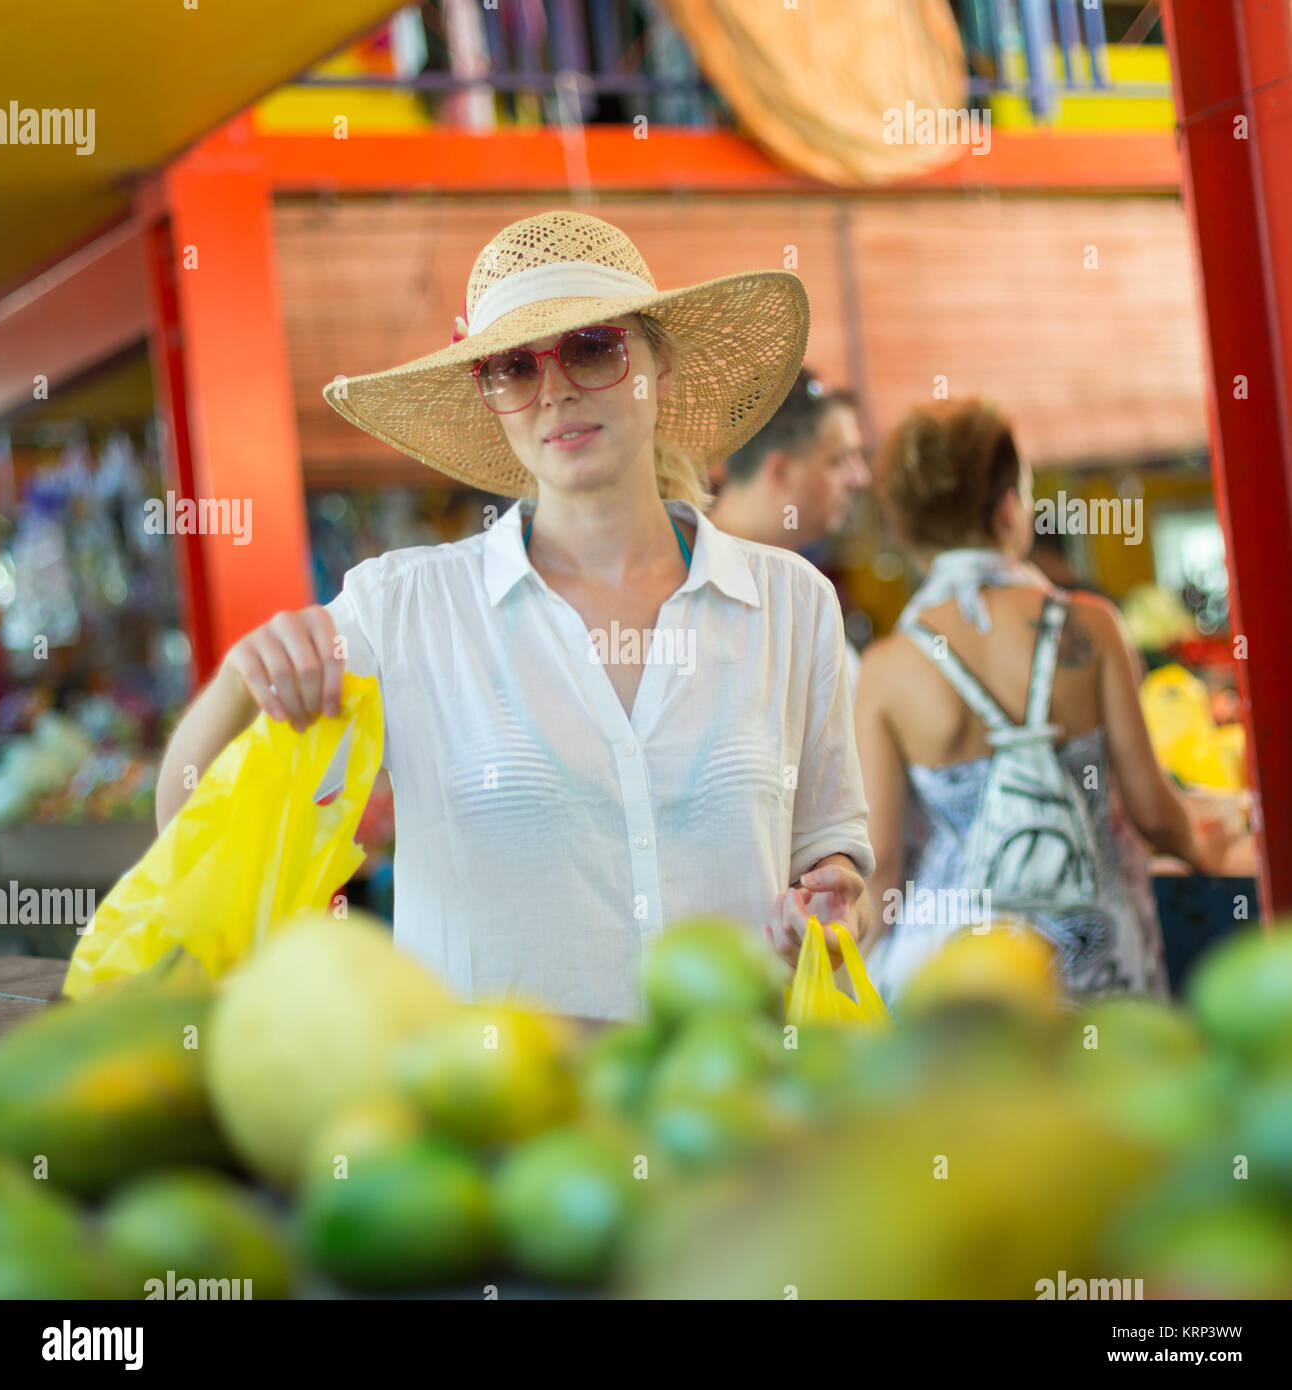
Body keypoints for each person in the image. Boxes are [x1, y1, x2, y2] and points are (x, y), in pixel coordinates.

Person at [156, 209, 875, 1020]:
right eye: (513, 367)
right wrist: (243, 678)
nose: (557, 388)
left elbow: (832, 855)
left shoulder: (790, 603)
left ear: (660, 365)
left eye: (594, 348)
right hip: (491, 1123)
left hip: (727, 1106)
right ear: (492, 398)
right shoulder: (402, 609)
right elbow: (191, 826)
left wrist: (830, 901)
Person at [854, 399, 1229, 1004]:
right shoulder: (1092, 627)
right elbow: (1154, 813)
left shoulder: (886, 670)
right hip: (1094, 961)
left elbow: (884, 865)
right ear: (1008, 507)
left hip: (956, 977)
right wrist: (1206, 846)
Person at [707, 368, 871, 694]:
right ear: (781, 471)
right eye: (840, 461)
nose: (861, 478)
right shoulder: (702, 591)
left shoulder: (794, 583)